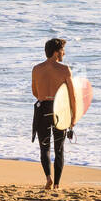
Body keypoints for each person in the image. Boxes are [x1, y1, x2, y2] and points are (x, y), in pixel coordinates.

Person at [31, 38, 75, 191]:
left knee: (44, 147)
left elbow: (35, 92)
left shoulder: (36, 69)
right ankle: (56, 185)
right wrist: (73, 116)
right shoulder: (65, 69)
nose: (64, 53)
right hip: (59, 110)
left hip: (42, 108)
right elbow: (72, 95)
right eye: (63, 50)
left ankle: (48, 178)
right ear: (57, 52)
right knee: (59, 148)